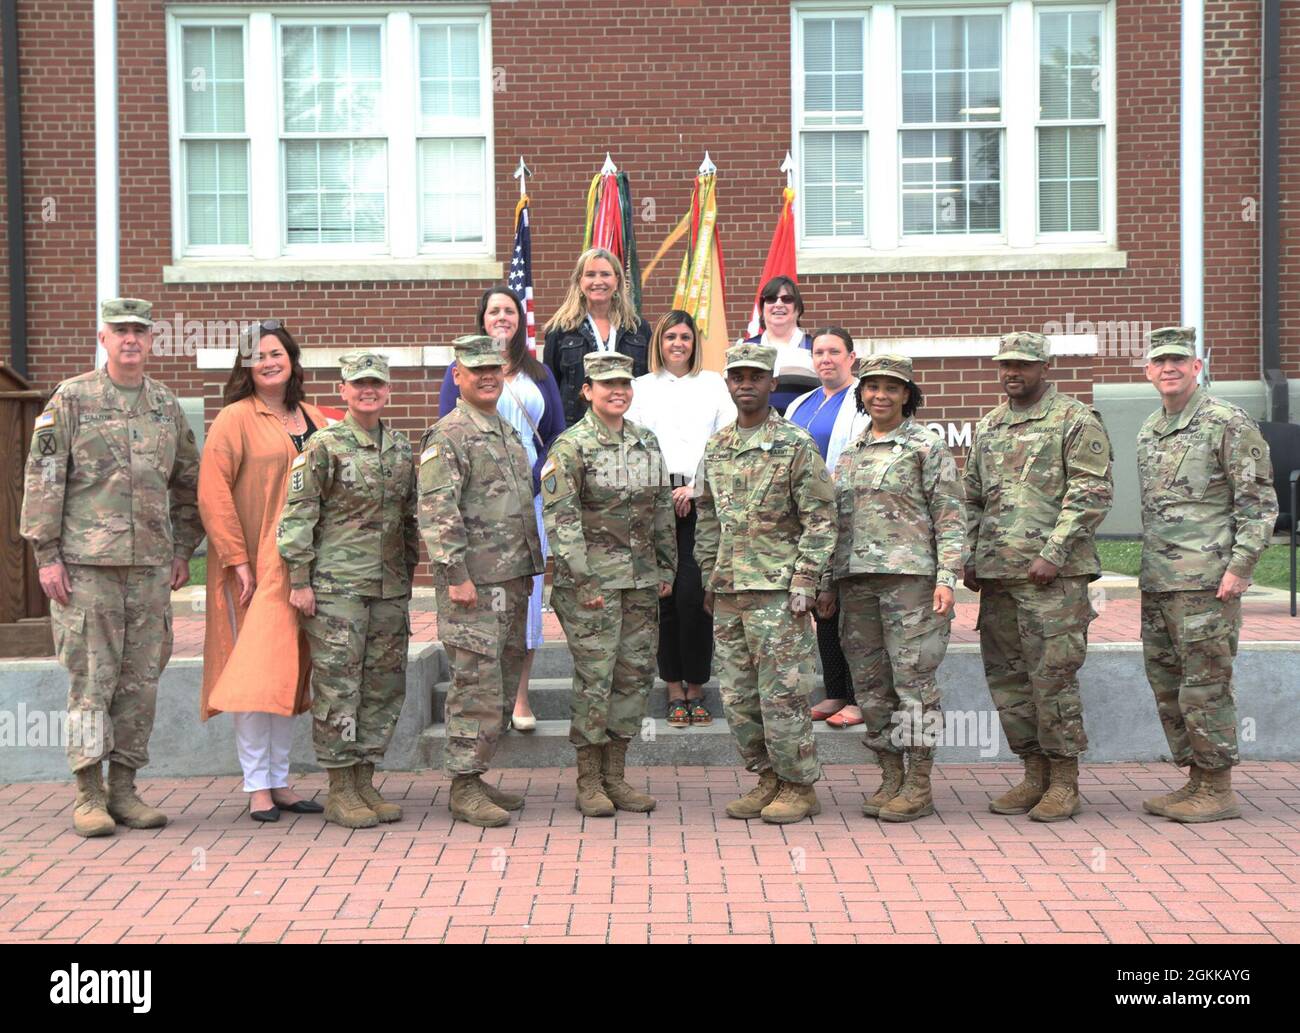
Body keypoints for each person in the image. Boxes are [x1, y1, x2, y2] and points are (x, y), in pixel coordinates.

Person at [21, 298, 202, 837]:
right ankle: (88, 793)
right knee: (91, 679)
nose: (130, 340)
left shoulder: (166, 406)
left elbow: (190, 485)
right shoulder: (71, 399)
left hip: (148, 569)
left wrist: (181, 550)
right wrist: (46, 556)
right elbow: (43, 477)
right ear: (103, 338)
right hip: (87, 569)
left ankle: (124, 788)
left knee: (140, 681)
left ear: (152, 341)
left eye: (140, 332)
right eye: (120, 330)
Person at [963, 332, 1113, 822]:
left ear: (1044, 367)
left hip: (1053, 578)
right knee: (1009, 680)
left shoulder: (1073, 419)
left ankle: (1064, 781)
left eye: (1023, 365)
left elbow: (1090, 493)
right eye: (1006, 365)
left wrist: (1054, 551)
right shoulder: (989, 425)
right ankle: (1033, 773)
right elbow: (971, 498)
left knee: (1052, 679)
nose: (1013, 373)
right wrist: (968, 555)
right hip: (999, 578)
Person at [1136, 327, 1277, 823]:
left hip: (1207, 582)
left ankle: (1217, 788)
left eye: (1179, 360)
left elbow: (1258, 503)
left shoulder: (1226, 422)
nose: (1168, 368)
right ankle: (1195, 777)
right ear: (1149, 371)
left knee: (1206, 686)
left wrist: (1241, 568)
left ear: (1197, 367)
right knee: (1168, 683)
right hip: (1160, 580)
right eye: (1159, 361)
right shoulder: (1150, 428)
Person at [694, 342, 837, 825]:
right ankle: (767, 778)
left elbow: (820, 518)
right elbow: (708, 514)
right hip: (730, 590)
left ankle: (799, 785)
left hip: (779, 592)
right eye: (738, 377)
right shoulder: (717, 446)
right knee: (737, 695)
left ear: (772, 383)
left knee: (783, 693)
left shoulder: (795, 444)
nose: (747, 384)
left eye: (756, 376)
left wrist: (806, 580)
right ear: (729, 384)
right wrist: (708, 577)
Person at [278, 352, 419, 829]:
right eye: (359, 384)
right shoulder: (324, 445)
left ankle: (365, 780)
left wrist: (409, 577)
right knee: (340, 687)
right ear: (343, 390)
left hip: (388, 587)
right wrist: (300, 580)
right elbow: (299, 515)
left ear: (387, 390)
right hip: (337, 588)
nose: (368, 391)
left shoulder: (400, 448)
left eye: (376, 384)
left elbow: (409, 519)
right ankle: (340, 787)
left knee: (383, 686)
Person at [821, 354, 964, 821]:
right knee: (871, 685)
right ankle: (890, 775)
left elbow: (949, 514)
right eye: (871, 387)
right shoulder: (850, 451)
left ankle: (918, 781)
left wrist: (947, 578)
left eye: (891, 387)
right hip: (856, 584)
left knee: (913, 682)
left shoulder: (926, 445)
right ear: (861, 394)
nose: (879, 395)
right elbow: (835, 522)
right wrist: (826, 582)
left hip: (911, 584)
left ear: (907, 395)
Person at [198, 321, 327, 822]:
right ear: (246, 367)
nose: (269, 361)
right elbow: (213, 493)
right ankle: (257, 786)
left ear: (292, 359)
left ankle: (280, 780)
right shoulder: (234, 419)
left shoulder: (315, 417)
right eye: (258, 356)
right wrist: (237, 560)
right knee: (255, 672)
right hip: (256, 568)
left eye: (277, 353)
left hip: (305, 570)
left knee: (287, 674)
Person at [543, 352, 676, 816]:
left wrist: (667, 568)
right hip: (592, 585)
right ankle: (589, 781)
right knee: (595, 681)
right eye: (606, 385)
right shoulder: (571, 447)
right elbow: (562, 520)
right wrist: (583, 578)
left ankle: (616, 776)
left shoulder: (645, 442)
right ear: (587, 391)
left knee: (634, 678)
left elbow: (661, 507)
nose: (617, 391)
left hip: (641, 583)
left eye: (624, 384)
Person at [419, 335, 544, 827]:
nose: (487, 376)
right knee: (474, 682)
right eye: (476, 370)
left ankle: (477, 773)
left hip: (512, 581)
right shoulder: (448, 435)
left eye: (494, 369)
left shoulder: (506, 432)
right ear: (458, 376)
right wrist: (455, 576)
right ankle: (462, 786)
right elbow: (437, 511)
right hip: (473, 586)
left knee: (500, 682)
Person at [440, 286, 564, 731]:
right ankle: (483, 704)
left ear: (520, 319)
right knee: (484, 603)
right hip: (480, 508)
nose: (501, 317)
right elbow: (447, 427)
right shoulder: (460, 372)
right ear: (483, 319)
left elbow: (555, 435)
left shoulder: (539, 374)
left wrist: (532, 480)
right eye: (494, 311)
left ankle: (520, 696)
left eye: (509, 310)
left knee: (525, 602)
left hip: (529, 500)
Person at [626, 310, 735, 727]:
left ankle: (697, 684)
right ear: (659, 342)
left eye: (685, 337)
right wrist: (659, 495)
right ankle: (673, 687)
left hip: (699, 502)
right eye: (670, 336)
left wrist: (696, 488)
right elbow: (633, 447)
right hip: (655, 505)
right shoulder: (640, 387)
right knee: (664, 598)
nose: (678, 343)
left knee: (695, 595)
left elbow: (725, 443)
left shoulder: (712, 385)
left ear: (694, 342)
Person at [787, 327, 868, 728]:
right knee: (824, 604)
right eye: (818, 352)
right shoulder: (802, 403)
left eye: (834, 352)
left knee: (851, 607)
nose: (825, 359)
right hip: (811, 520)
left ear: (851, 357)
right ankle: (835, 690)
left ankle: (857, 696)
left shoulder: (863, 401)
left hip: (852, 518)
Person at [543, 247, 651, 427]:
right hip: (577, 433)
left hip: (630, 431)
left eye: (605, 274)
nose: (598, 281)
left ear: (617, 280)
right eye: (590, 274)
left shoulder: (638, 329)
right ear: (580, 281)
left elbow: (649, 383)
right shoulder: (560, 330)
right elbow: (550, 389)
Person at [745, 276, 814, 415]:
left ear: (798, 308)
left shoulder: (814, 347)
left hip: (802, 430)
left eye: (787, 299)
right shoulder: (746, 347)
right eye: (771, 299)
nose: (778, 304)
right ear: (763, 308)